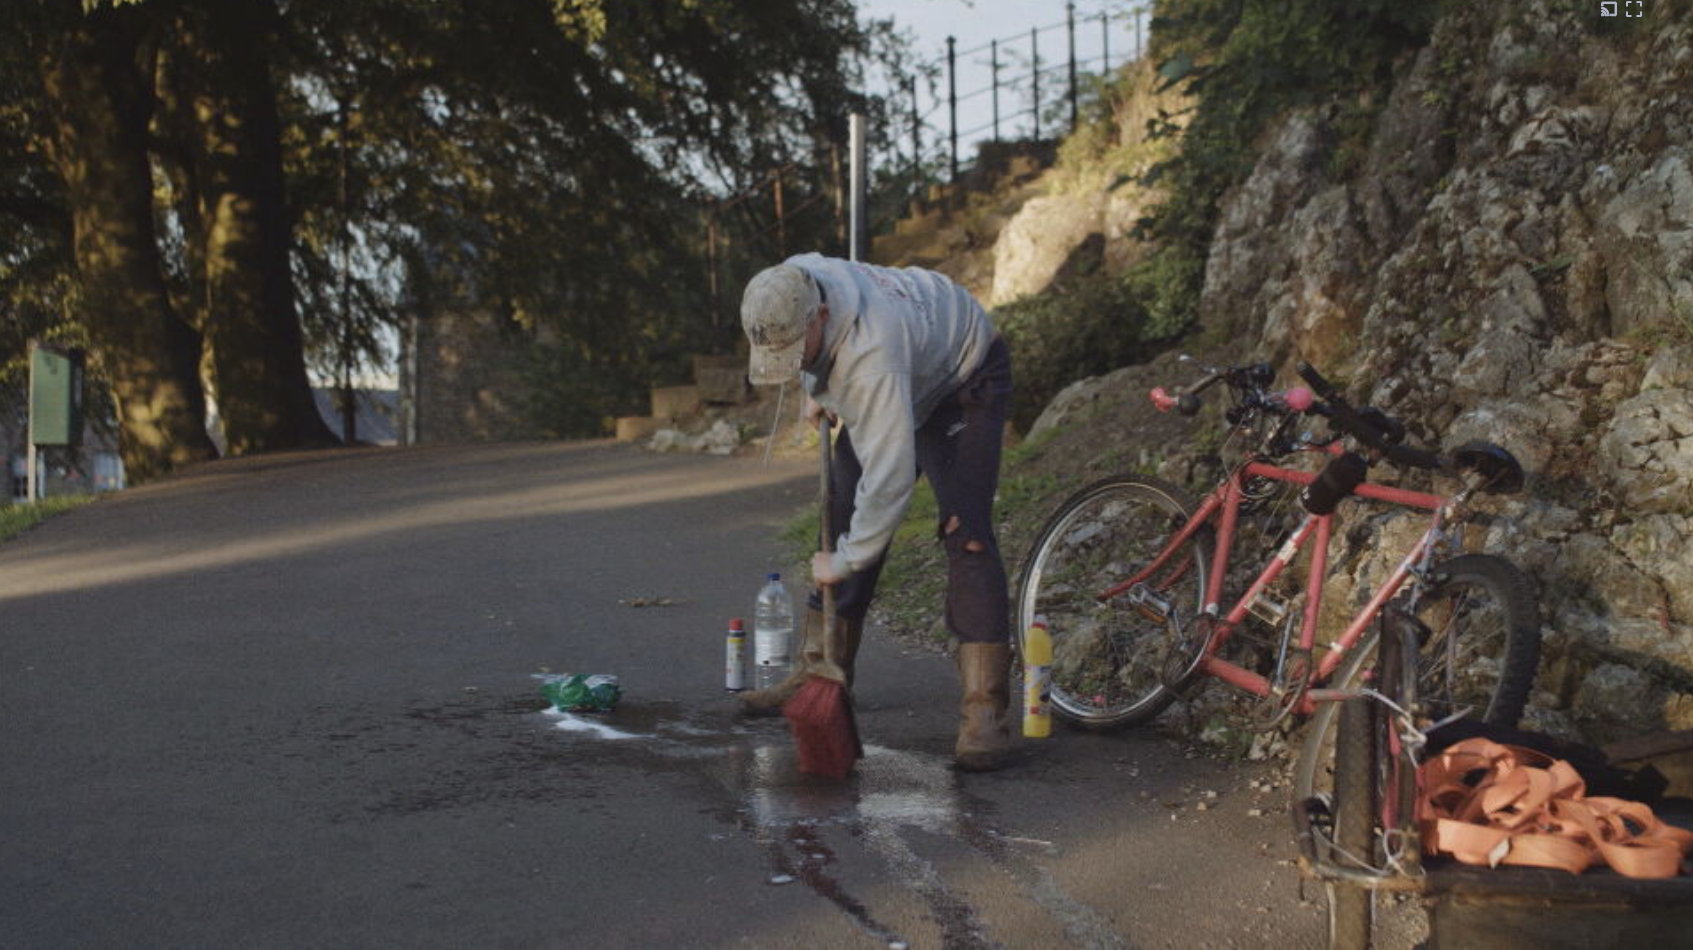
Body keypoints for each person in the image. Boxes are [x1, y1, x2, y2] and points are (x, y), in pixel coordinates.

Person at [736, 253, 1015, 772]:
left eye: (796, 352)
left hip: (963, 376)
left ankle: (986, 713)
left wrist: (846, 561)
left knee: (967, 533)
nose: (789, 360)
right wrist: (815, 386)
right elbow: (810, 353)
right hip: (905, 364)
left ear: (820, 318)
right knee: (841, 513)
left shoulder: (872, 358)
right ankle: (820, 671)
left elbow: (889, 480)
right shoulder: (792, 281)